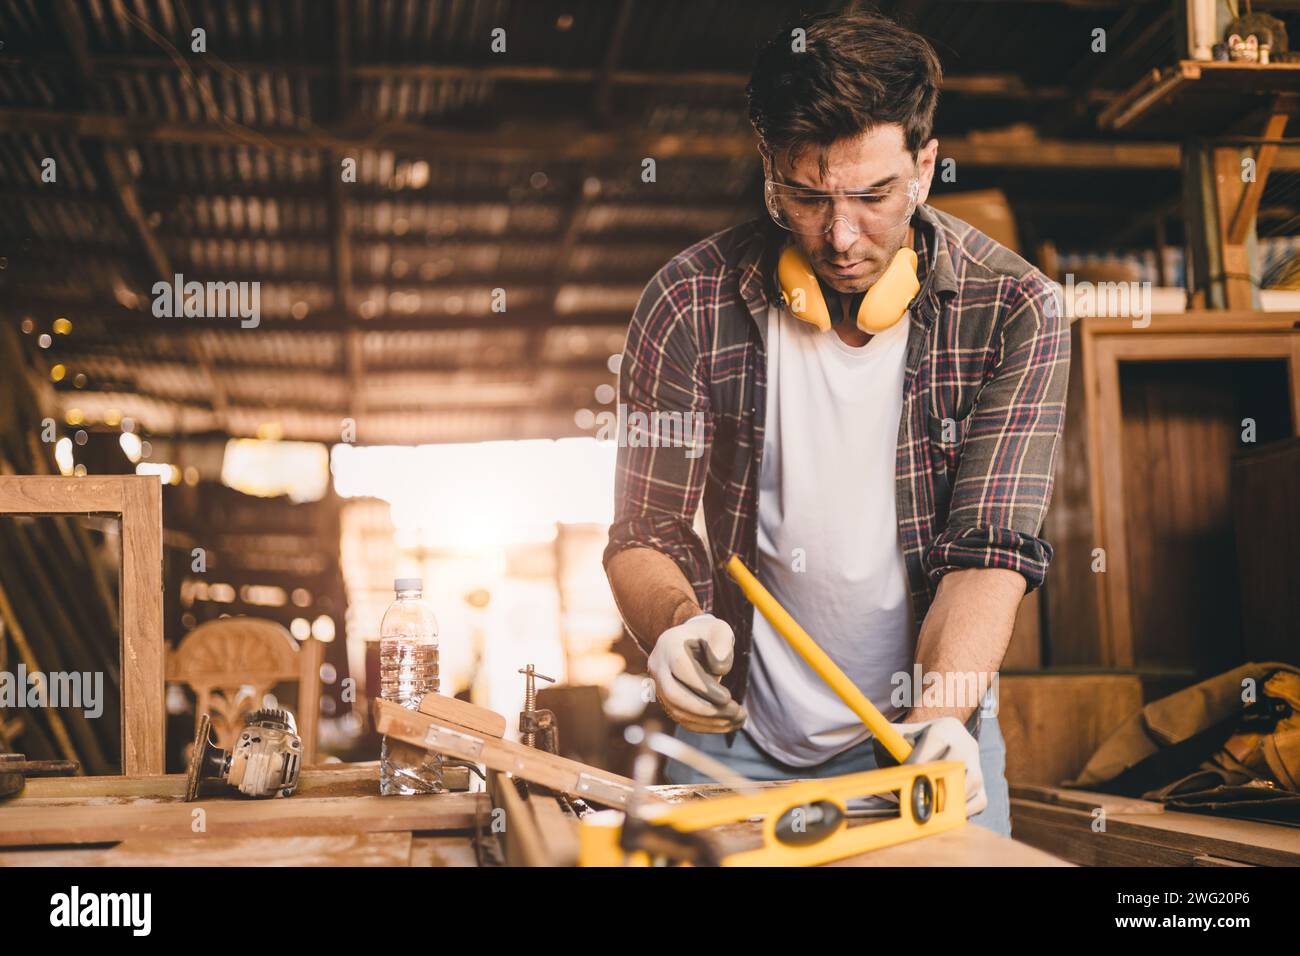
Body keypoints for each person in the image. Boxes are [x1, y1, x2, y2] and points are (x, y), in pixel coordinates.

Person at [603, 11, 1069, 836]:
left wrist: (942, 718)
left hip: (927, 729)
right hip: (736, 737)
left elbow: (987, 552)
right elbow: (648, 527)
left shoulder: (1014, 311)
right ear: (768, 170)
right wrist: (674, 629)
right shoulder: (685, 303)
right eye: (808, 197)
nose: (841, 235)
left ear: (925, 166)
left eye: (873, 195)